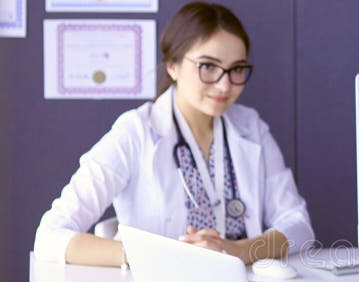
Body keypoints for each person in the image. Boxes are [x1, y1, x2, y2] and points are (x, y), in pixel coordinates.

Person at [34, 2, 313, 267]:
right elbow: (50, 237)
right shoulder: (135, 132)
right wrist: (161, 256)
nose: (225, 84)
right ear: (173, 65)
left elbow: (299, 226)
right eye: (208, 66)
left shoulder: (251, 127)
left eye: (236, 69)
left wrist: (239, 250)